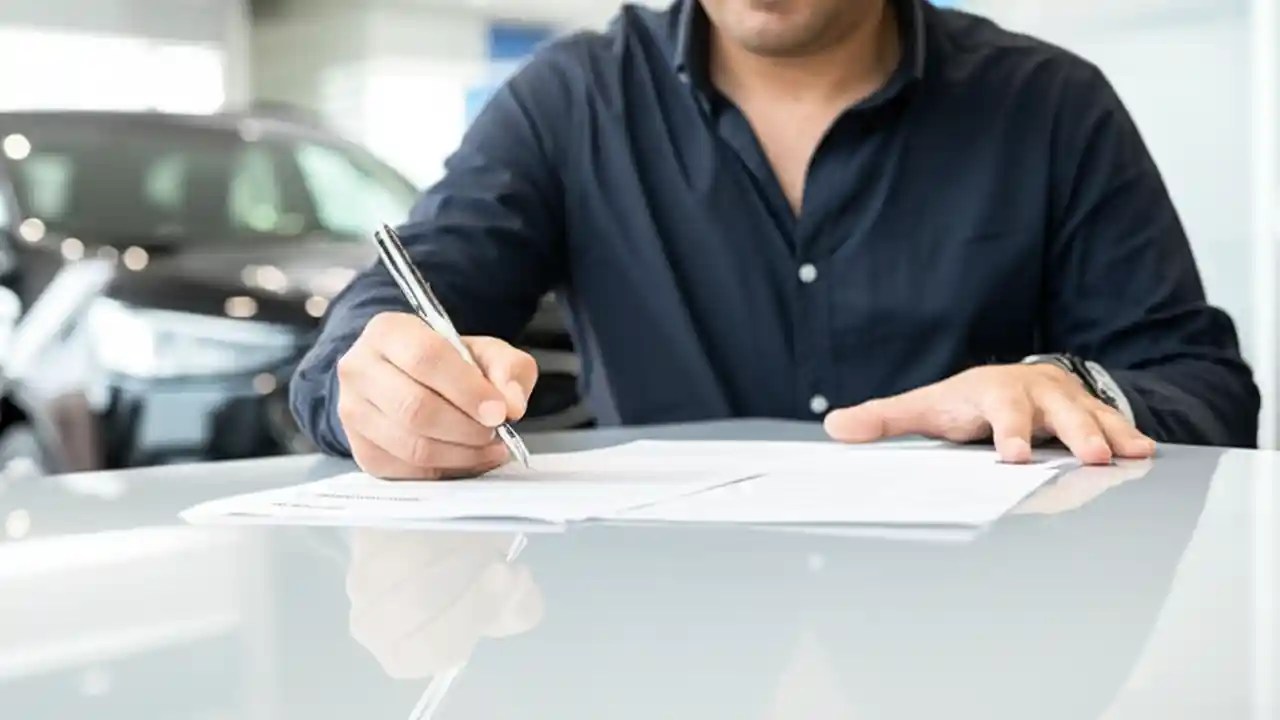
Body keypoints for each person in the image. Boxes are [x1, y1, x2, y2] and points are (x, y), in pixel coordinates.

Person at [291, 0, 1259, 480]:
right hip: (654, 633)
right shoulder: (571, 99)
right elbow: (399, 306)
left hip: (974, 628)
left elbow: (1204, 386)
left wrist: (1069, 392)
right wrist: (376, 386)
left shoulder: (1048, 104)